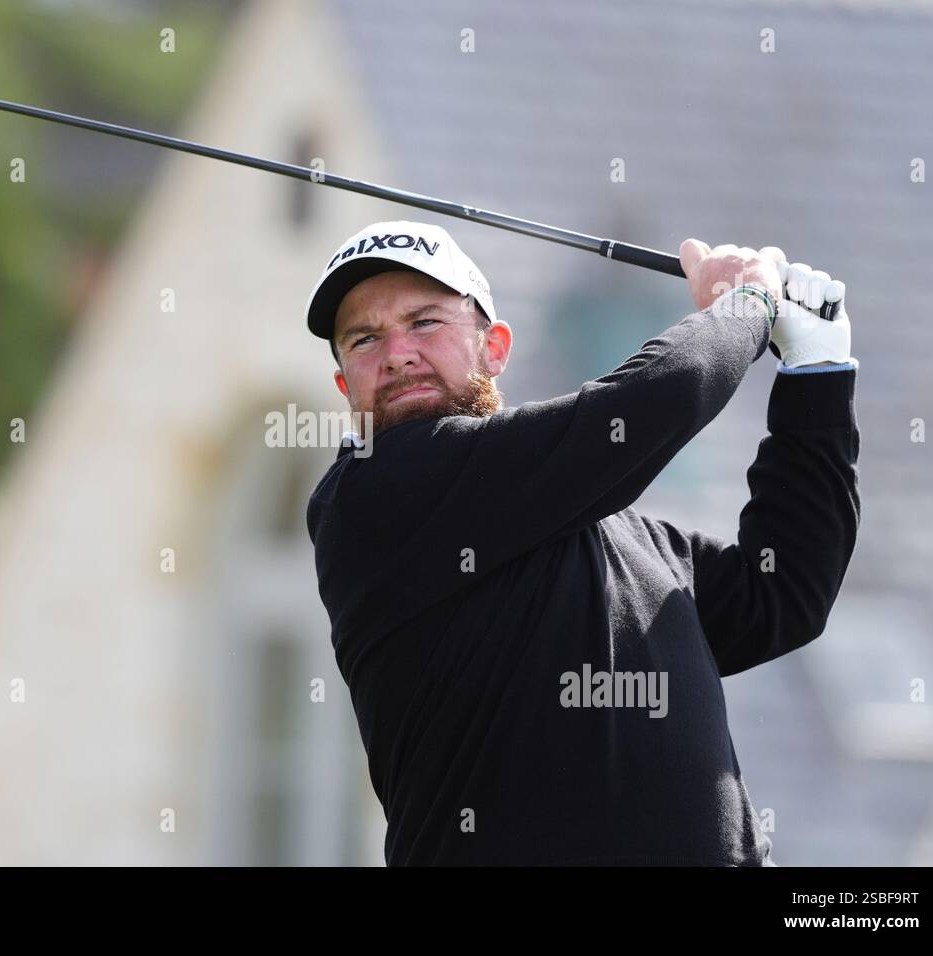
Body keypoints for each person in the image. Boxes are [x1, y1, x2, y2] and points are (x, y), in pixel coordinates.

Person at [303, 220, 860, 865]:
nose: (397, 352)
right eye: (365, 339)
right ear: (346, 386)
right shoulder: (371, 496)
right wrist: (749, 303)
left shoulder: (622, 536)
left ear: (495, 348)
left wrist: (817, 376)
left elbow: (783, 594)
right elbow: (648, 403)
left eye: (425, 322)